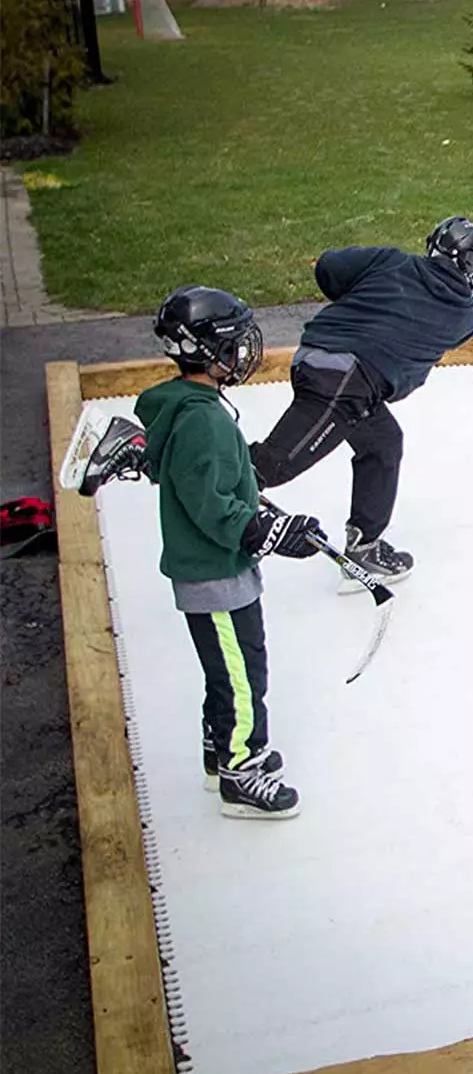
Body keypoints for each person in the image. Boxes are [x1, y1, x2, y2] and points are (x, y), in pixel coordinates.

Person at [133, 285, 327, 819]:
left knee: (229, 668)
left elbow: (213, 482)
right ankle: (241, 772)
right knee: (242, 676)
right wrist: (262, 531)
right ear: (210, 350)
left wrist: (257, 505)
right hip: (214, 573)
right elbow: (210, 505)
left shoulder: (190, 407)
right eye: (236, 342)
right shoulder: (203, 420)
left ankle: (220, 749)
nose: (245, 351)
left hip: (218, 571)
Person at [248, 217, 473, 588]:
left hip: (325, 365)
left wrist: (371, 292)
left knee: (383, 444)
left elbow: (330, 268)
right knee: (276, 464)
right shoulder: (464, 314)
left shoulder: (391, 261)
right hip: (343, 383)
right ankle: (194, 475)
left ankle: (365, 545)